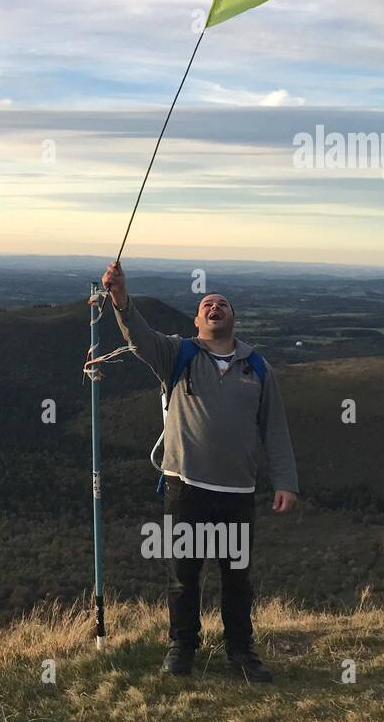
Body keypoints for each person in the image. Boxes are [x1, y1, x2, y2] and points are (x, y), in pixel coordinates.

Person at [101, 260, 299, 682]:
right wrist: (120, 298)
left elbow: (275, 429)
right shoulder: (179, 354)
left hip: (238, 492)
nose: (215, 306)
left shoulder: (258, 367)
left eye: (222, 303)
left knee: (237, 580)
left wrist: (286, 482)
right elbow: (139, 338)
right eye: (207, 303)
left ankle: (241, 651)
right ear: (196, 319)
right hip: (186, 486)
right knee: (183, 575)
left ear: (233, 318)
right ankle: (182, 647)